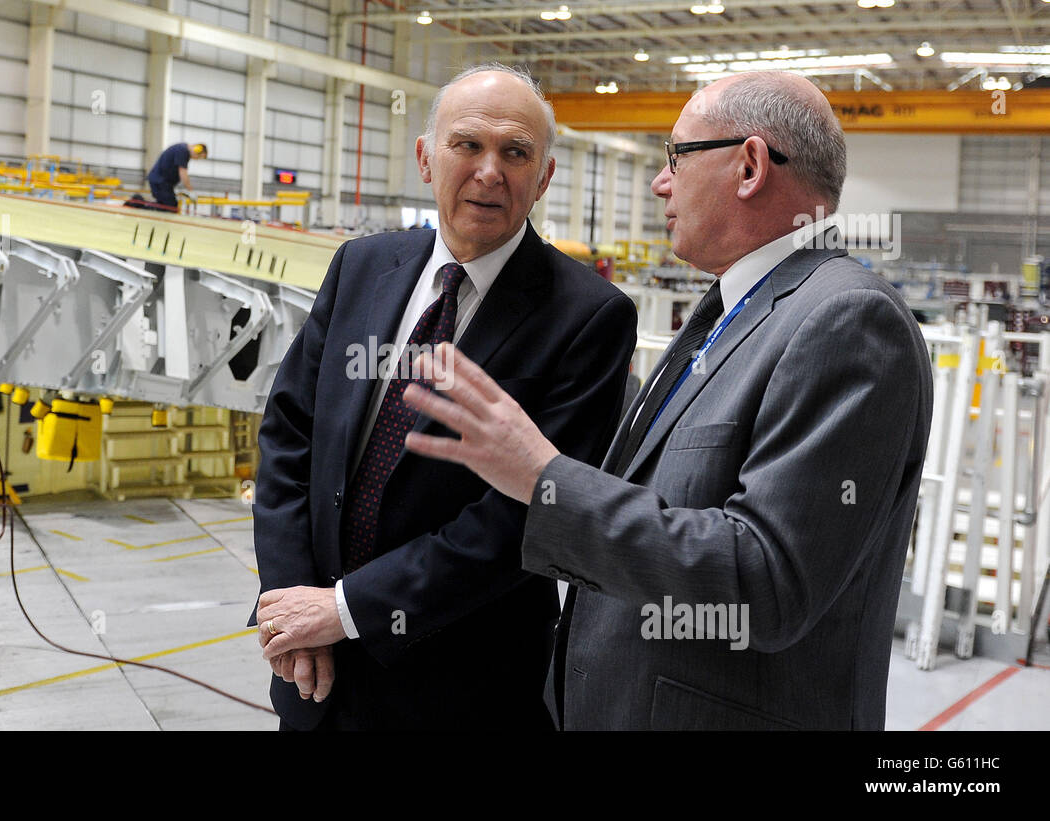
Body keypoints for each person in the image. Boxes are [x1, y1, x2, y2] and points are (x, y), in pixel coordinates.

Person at [400, 70, 933, 730]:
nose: (660, 182)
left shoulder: (846, 320)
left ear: (748, 165)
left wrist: (544, 477)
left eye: (676, 156)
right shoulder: (728, 313)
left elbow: (765, 581)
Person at [250, 64, 637, 730]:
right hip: (315, 676)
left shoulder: (589, 317)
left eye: (515, 153)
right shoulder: (361, 266)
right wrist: (293, 605)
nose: (490, 170)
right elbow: (290, 433)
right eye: (468, 145)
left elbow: (523, 517)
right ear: (428, 160)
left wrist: (343, 610)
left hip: (461, 689)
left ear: (542, 178)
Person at [146, 142, 206, 210]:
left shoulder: (181, 149)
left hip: (162, 182)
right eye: (199, 157)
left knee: (163, 206)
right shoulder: (183, 151)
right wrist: (191, 191)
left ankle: (141, 205)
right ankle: (138, 204)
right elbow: (183, 173)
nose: (197, 159)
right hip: (160, 182)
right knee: (171, 207)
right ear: (197, 150)